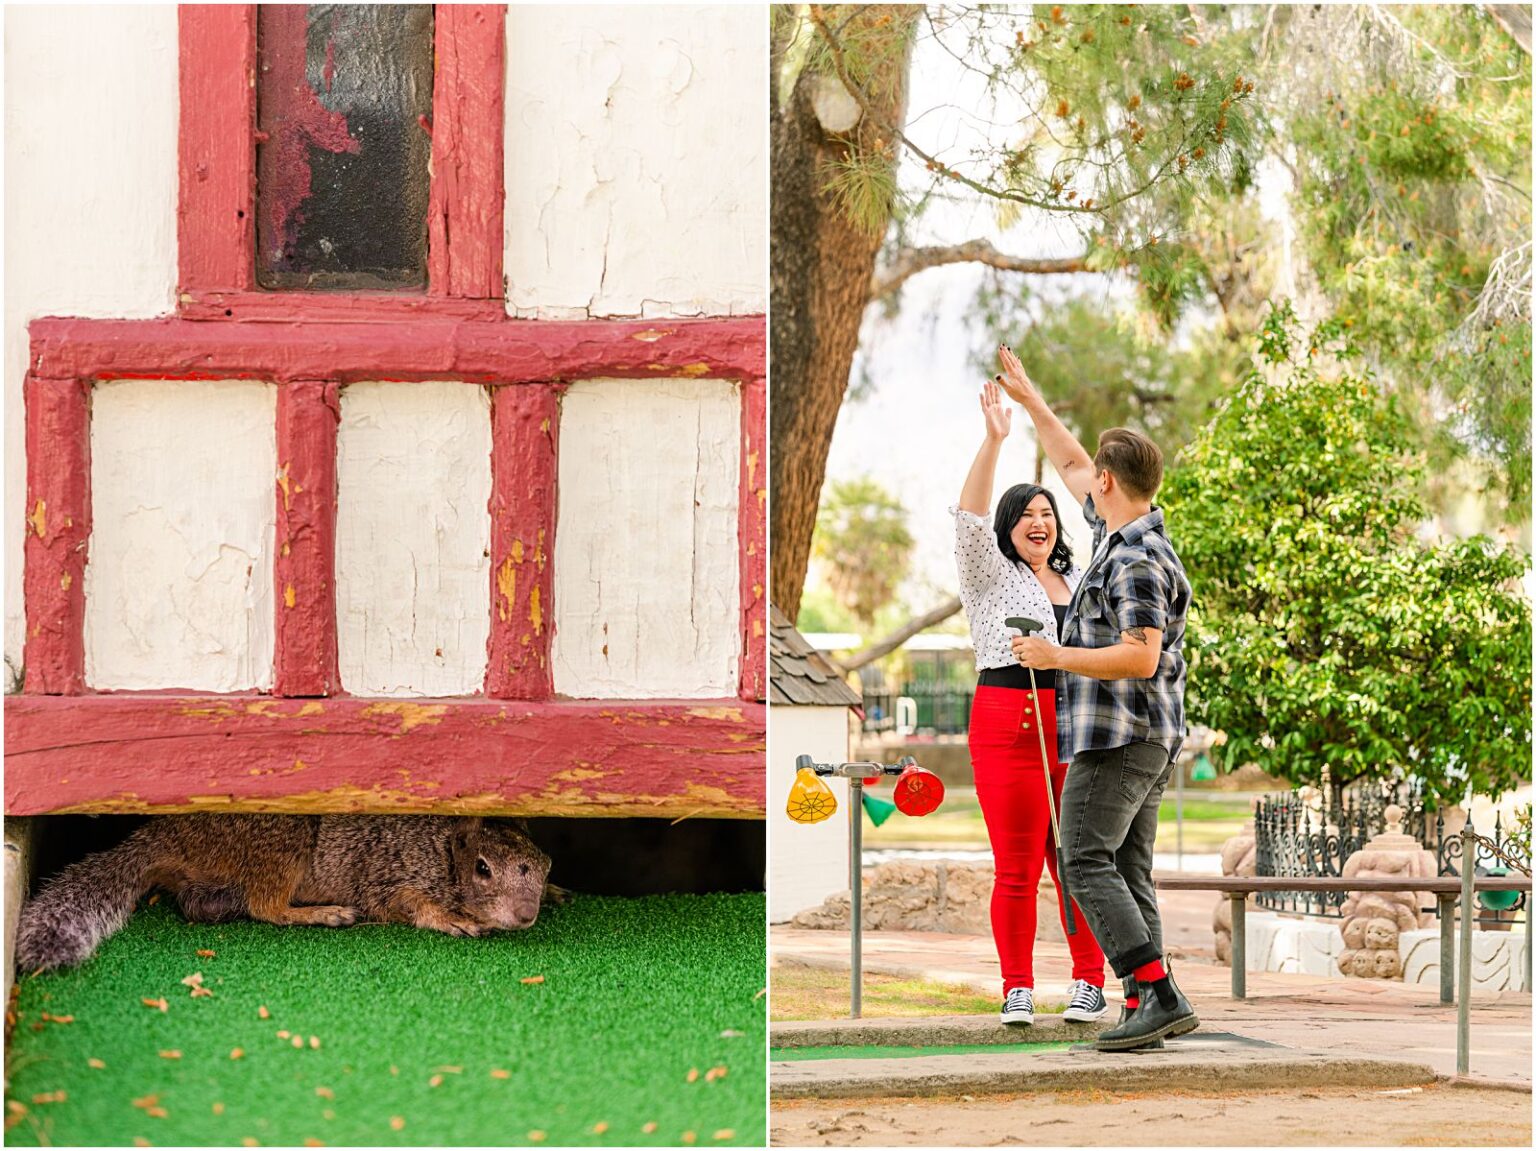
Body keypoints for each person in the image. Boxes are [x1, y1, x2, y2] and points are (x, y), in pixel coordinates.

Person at [996, 344, 1198, 1052]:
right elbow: (1074, 460)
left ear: (1111, 483)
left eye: (1093, 478)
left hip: (1122, 734)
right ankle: (1149, 997)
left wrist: (1055, 655)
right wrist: (1032, 403)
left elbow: (1140, 655)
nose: (1082, 481)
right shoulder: (1121, 529)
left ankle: (1159, 989)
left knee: (1081, 854)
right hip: (1145, 737)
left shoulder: (1135, 559)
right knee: (1126, 866)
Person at [952, 377, 1108, 1027]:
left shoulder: (1081, 575)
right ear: (1008, 528)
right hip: (1004, 723)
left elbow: (1098, 494)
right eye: (1026, 514)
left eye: (1046, 513)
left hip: (1072, 723)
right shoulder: (989, 573)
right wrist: (994, 440)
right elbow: (966, 518)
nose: (1038, 522)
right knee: (1016, 867)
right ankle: (1016, 986)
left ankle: (1089, 982)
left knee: (1077, 860)